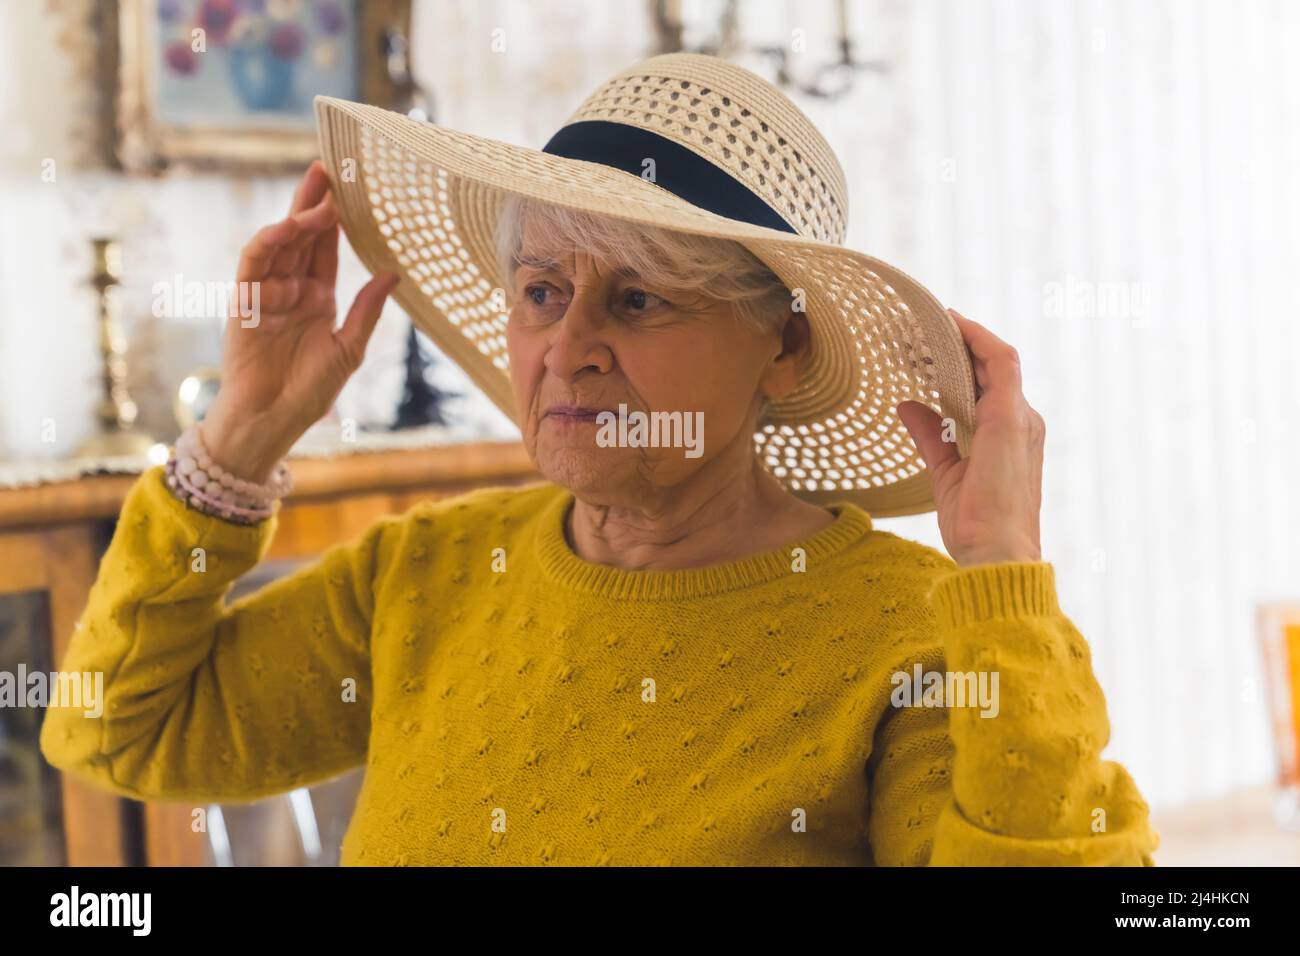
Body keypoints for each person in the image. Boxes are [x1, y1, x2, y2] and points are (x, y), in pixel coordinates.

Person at [40, 52, 1159, 866]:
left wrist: (1001, 572)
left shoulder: (910, 632)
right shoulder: (425, 571)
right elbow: (112, 724)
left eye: (636, 299)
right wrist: (239, 438)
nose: (566, 351)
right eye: (540, 293)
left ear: (785, 346)